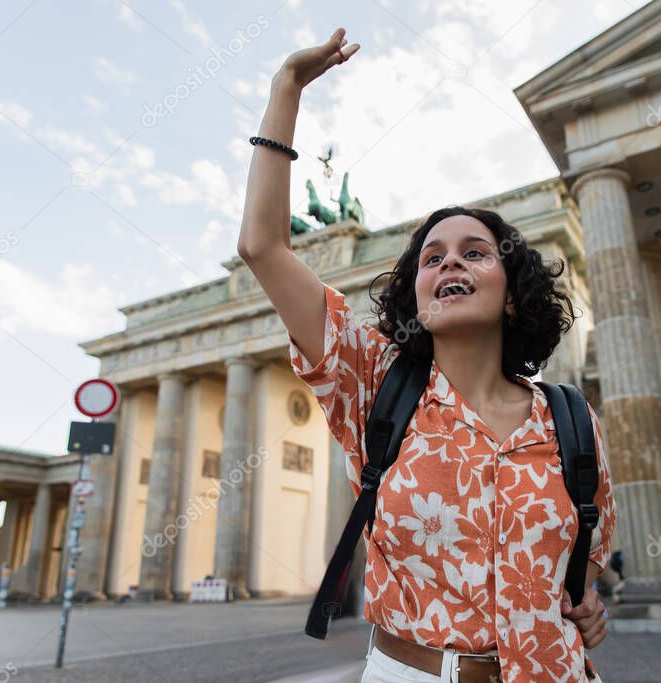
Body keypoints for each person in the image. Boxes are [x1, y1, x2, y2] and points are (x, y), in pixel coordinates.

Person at [237, 27, 617, 683]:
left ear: (511, 291)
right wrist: (285, 92)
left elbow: (580, 572)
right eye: (432, 257)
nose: (450, 263)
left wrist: (589, 607)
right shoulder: (373, 380)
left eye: (474, 251)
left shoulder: (573, 420)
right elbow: (263, 249)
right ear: (416, 296)